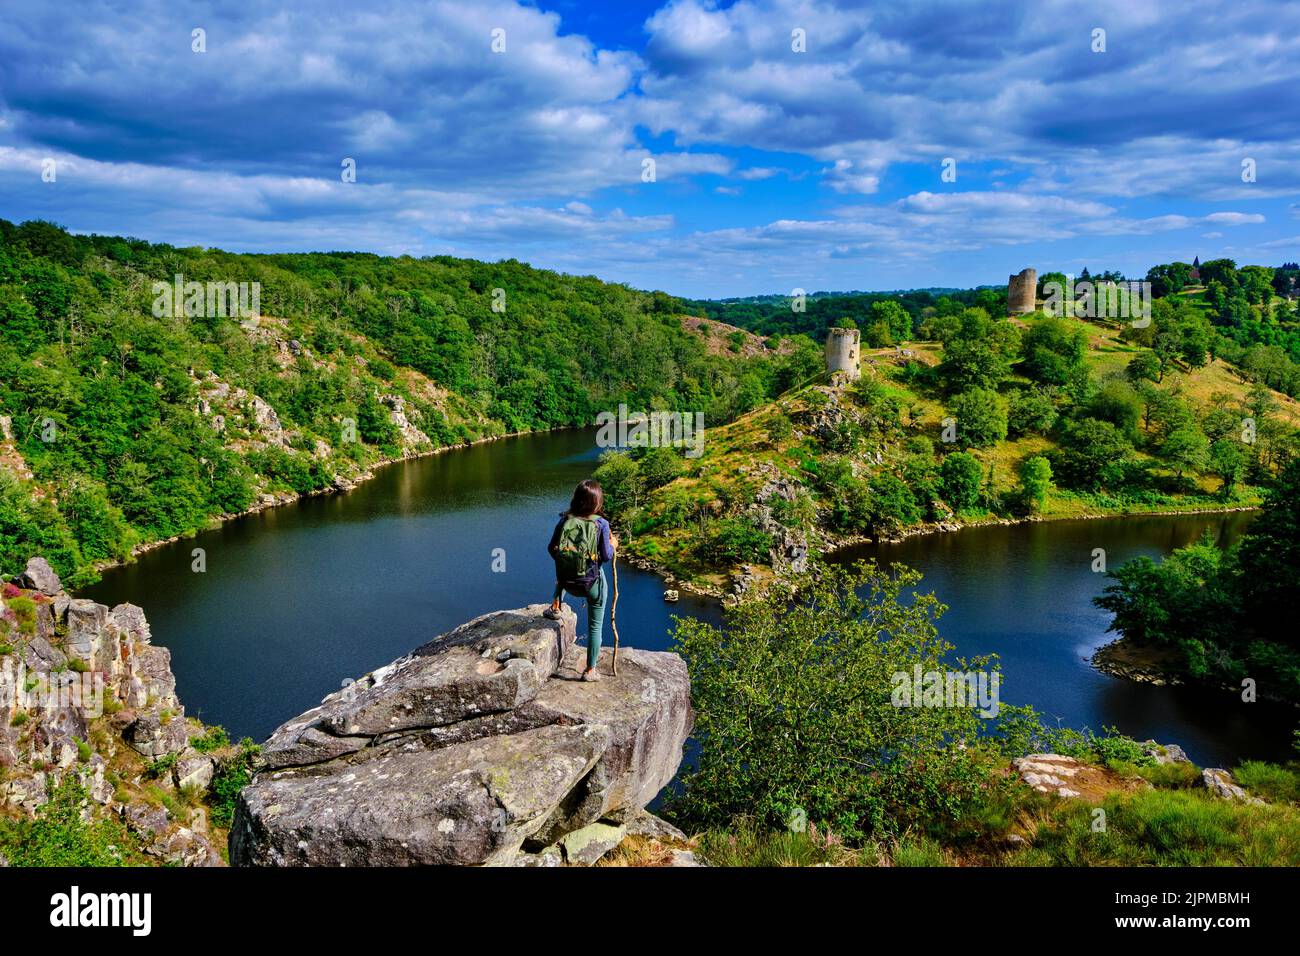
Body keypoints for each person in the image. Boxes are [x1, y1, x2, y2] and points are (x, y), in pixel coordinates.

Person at [544, 479, 618, 681]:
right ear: (597, 503)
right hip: (591, 585)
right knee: (595, 625)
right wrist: (613, 544)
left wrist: (566, 563)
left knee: (563, 569)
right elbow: (605, 556)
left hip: (566, 583)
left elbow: (552, 549)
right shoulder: (601, 524)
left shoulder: (565, 520)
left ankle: (555, 606)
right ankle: (590, 670)